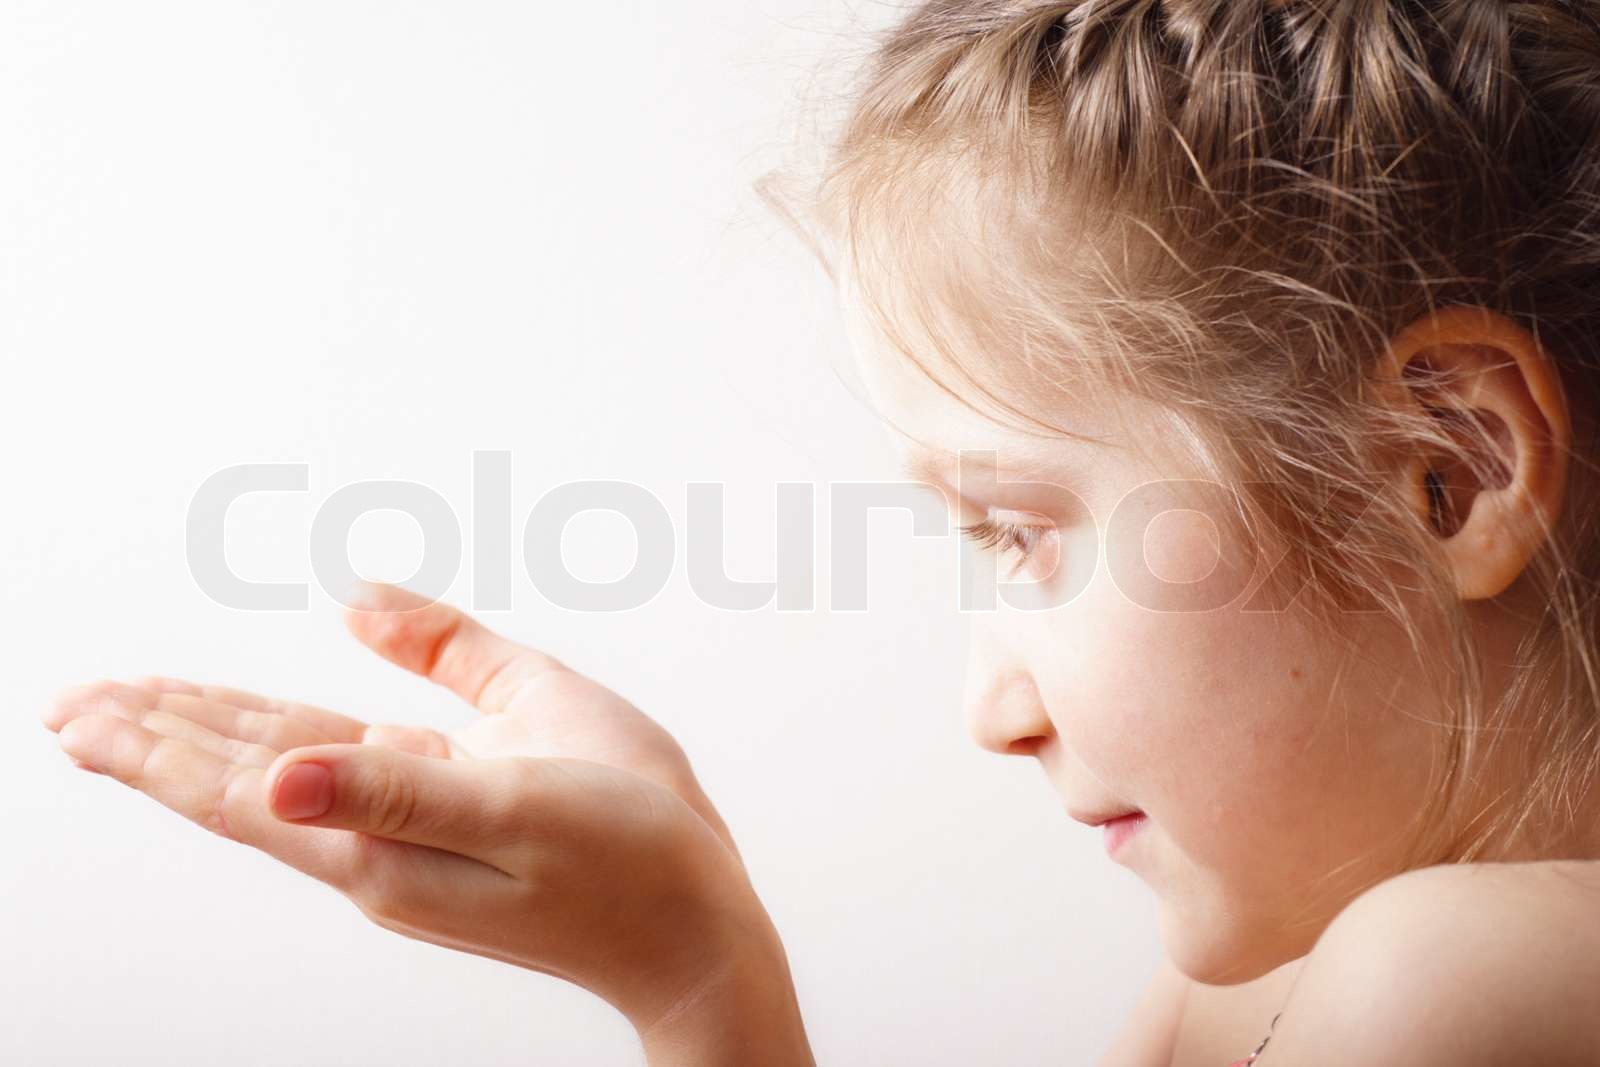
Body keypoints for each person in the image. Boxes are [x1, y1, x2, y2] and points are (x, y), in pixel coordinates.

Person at [42, 2, 1600, 1063]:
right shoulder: (1253, 981)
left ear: (1444, 469)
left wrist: (699, 979)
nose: (992, 708)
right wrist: (697, 952)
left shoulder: (1446, 982)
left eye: (1021, 535)